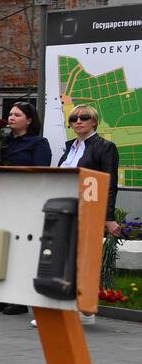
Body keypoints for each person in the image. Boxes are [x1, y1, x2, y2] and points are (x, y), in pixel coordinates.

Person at [51, 104, 122, 327]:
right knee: (62, 259)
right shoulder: (70, 147)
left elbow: (109, 184)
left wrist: (108, 217)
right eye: (74, 119)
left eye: (84, 118)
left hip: (89, 210)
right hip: (65, 208)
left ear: (94, 122)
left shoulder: (105, 147)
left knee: (82, 260)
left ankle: (85, 310)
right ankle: (63, 308)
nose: (78, 121)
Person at [0, 101, 51, 317]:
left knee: (22, 251)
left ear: (29, 120)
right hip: (4, 200)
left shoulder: (38, 143)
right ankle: (2, 296)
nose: (11, 117)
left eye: (17, 115)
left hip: (26, 202)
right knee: (3, 249)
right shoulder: (3, 142)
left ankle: (20, 299)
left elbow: (40, 173)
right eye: (10, 114)